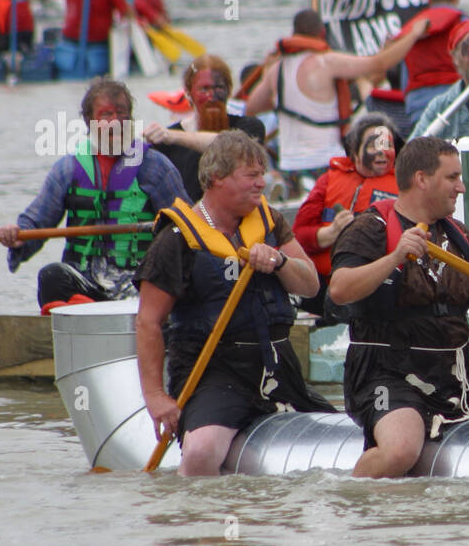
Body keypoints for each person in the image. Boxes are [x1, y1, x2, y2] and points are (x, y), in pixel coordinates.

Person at [326, 136, 469, 478]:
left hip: (458, 370)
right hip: (387, 374)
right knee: (400, 453)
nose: (462, 187)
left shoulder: (463, 237)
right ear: (422, 179)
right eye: (453, 177)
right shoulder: (370, 228)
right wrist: (396, 256)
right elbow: (339, 290)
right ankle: (354, 505)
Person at [135, 130, 335, 477]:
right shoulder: (177, 240)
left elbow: (310, 284)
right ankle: (200, 524)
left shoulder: (270, 220)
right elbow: (148, 322)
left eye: (263, 173)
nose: (262, 183)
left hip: (276, 366)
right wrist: (155, 397)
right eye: (251, 175)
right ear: (217, 179)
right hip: (213, 371)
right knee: (201, 452)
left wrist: (279, 261)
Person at [0, 79, 187, 311]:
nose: (115, 122)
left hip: (139, 282)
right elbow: (35, 223)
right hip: (85, 279)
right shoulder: (67, 169)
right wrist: (16, 235)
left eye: (121, 114)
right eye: (106, 115)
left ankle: (89, 311)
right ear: (90, 121)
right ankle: (84, 311)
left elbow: (186, 225)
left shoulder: (155, 167)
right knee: (51, 276)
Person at [245, 9, 430, 186]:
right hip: (326, 163)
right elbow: (379, 63)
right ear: (322, 33)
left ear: (293, 33)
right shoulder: (327, 62)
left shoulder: (276, 70)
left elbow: (251, 107)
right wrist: (413, 34)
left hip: (289, 166)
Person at [293, 114, 402, 315]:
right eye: (373, 146)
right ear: (354, 150)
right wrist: (331, 232)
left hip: (374, 286)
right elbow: (298, 235)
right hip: (323, 286)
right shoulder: (329, 180)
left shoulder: (404, 186)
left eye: (387, 145)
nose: (382, 153)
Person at [144, 55, 266, 201]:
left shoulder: (249, 127)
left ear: (229, 91)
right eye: (204, 89)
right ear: (189, 93)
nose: (212, 96)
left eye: (219, 87)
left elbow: (231, 146)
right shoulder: (166, 143)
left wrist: (173, 137)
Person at [401, 0, 467, 126]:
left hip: (419, 108)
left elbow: (405, 81)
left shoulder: (411, 28)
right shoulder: (466, 24)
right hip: (458, 104)